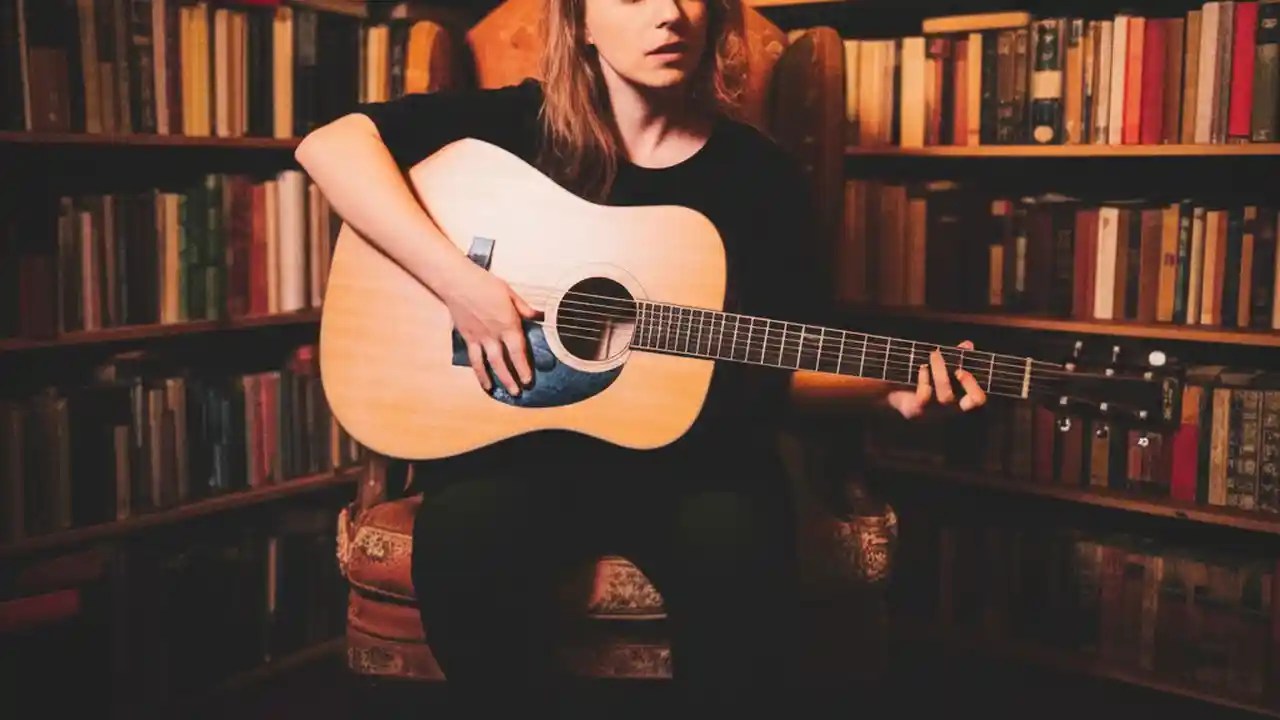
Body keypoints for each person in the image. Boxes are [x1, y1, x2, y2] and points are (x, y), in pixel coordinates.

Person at [295, 0, 987, 714]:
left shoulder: (761, 178)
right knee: (464, 550)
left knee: (744, 582)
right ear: (580, 22)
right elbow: (329, 146)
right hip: (520, 449)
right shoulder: (512, 125)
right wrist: (461, 285)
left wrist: (882, 393)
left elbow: (779, 367)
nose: (669, 15)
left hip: (702, 460)